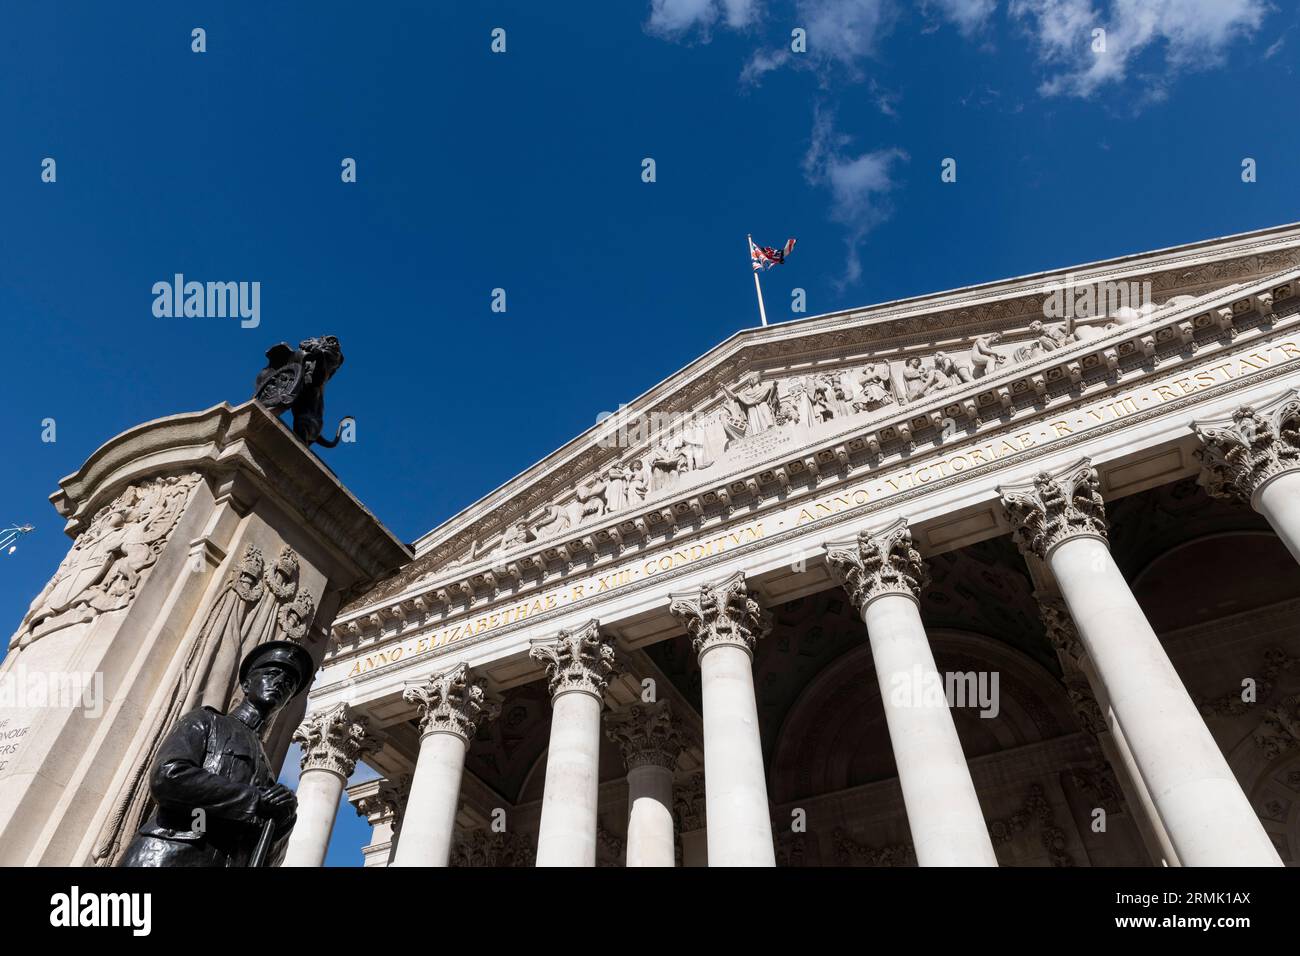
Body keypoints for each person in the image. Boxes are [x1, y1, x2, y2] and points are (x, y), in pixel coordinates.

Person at [119, 640, 315, 867]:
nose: (280, 682)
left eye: (289, 682)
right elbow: (168, 776)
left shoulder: (267, 772)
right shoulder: (206, 722)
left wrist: (283, 821)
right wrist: (254, 799)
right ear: (247, 684)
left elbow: (267, 861)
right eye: (272, 674)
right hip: (168, 856)